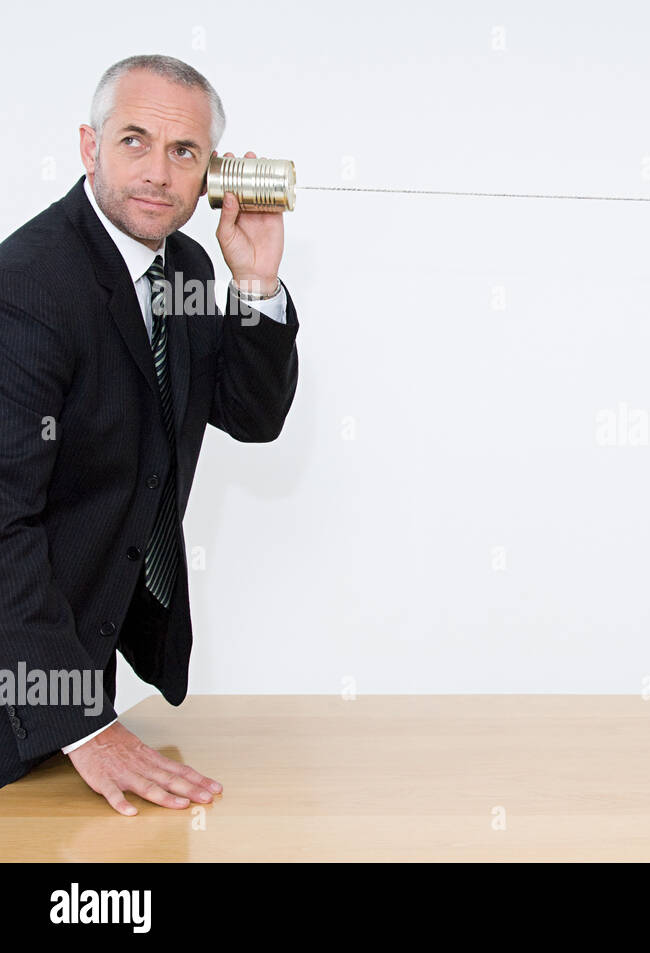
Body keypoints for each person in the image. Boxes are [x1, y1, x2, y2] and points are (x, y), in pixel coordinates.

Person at [0, 54, 300, 814]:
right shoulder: (27, 288)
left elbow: (252, 416)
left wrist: (256, 284)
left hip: (77, 681)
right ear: (87, 146)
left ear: (211, 175)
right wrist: (81, 724)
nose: (158, 173)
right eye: (134, 140)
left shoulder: (190, 266)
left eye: (184, 152)